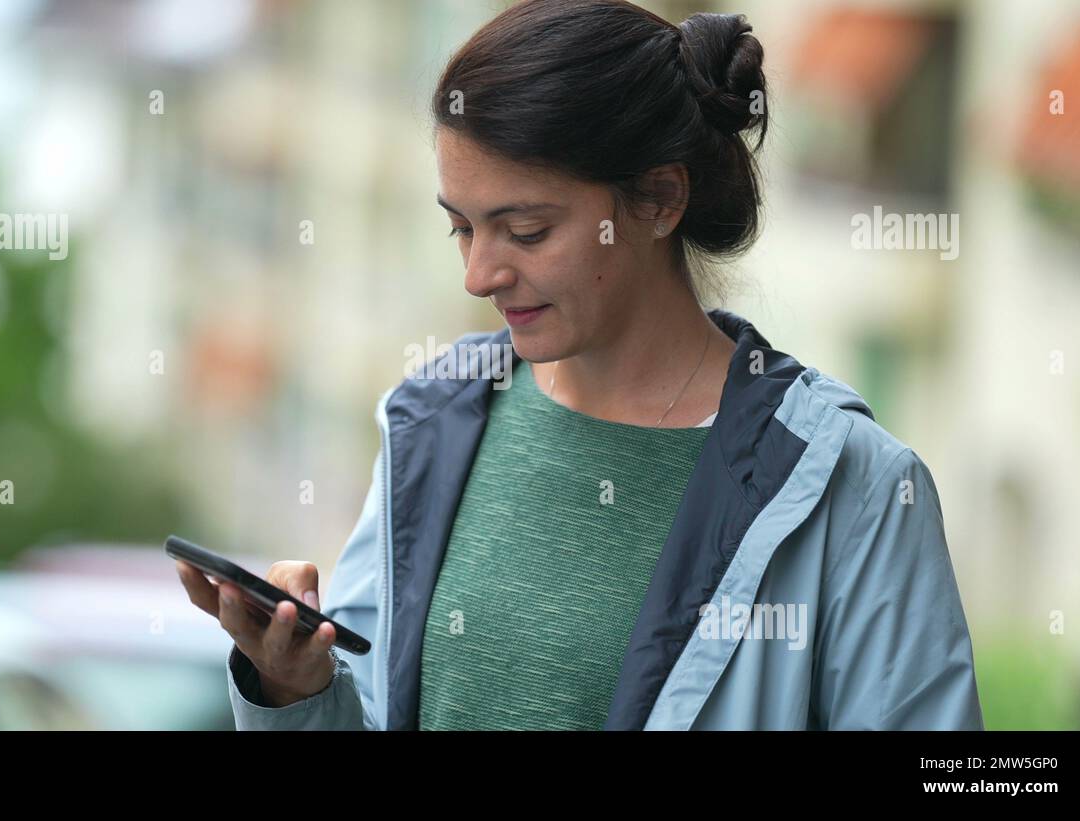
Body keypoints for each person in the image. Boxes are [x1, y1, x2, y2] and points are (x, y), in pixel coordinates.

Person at [177, 0, 984, 730]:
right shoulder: (432, 421)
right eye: (461, 227)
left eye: (524, 231)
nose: (478, 274)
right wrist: (292, 690)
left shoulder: (853, 487)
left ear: (662, 200)